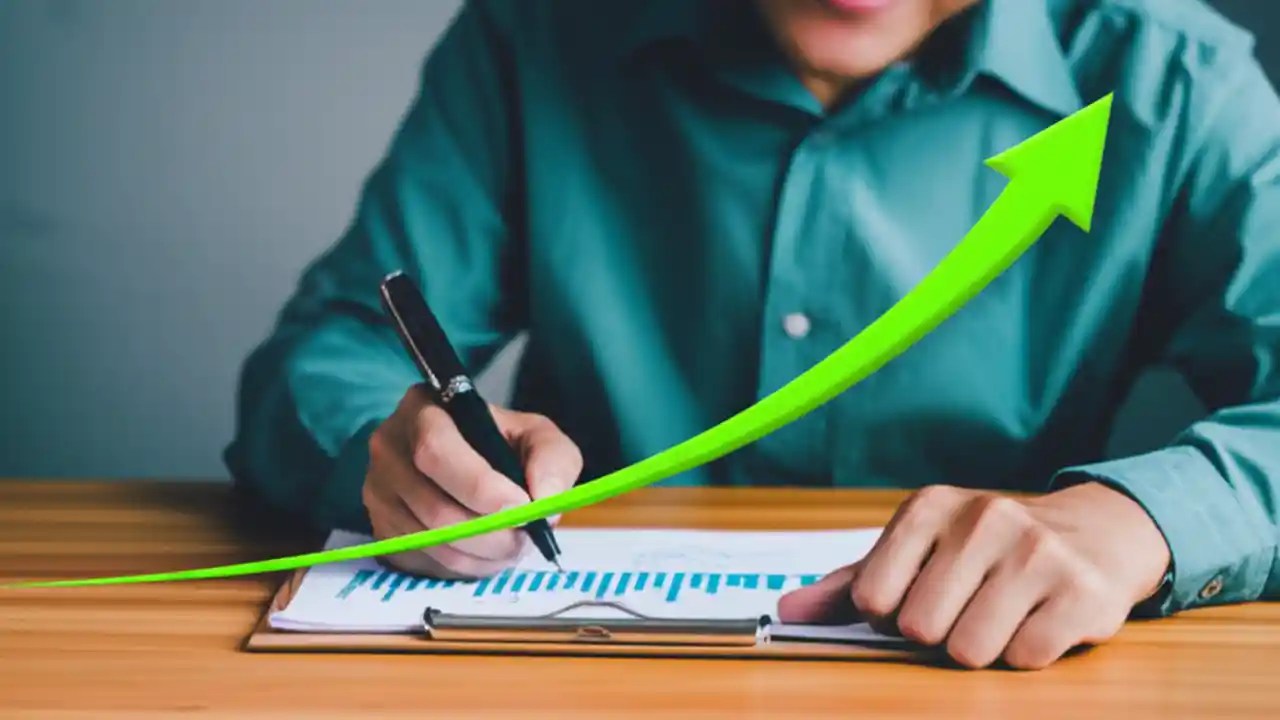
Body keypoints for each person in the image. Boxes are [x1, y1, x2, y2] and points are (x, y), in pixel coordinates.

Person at [226, 0, 1280, 669]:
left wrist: (1138, 523)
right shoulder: (531, 35)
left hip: (986, 677)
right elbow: (329, 355)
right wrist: (385, 447)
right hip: (580, 672)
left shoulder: (1172, 78)